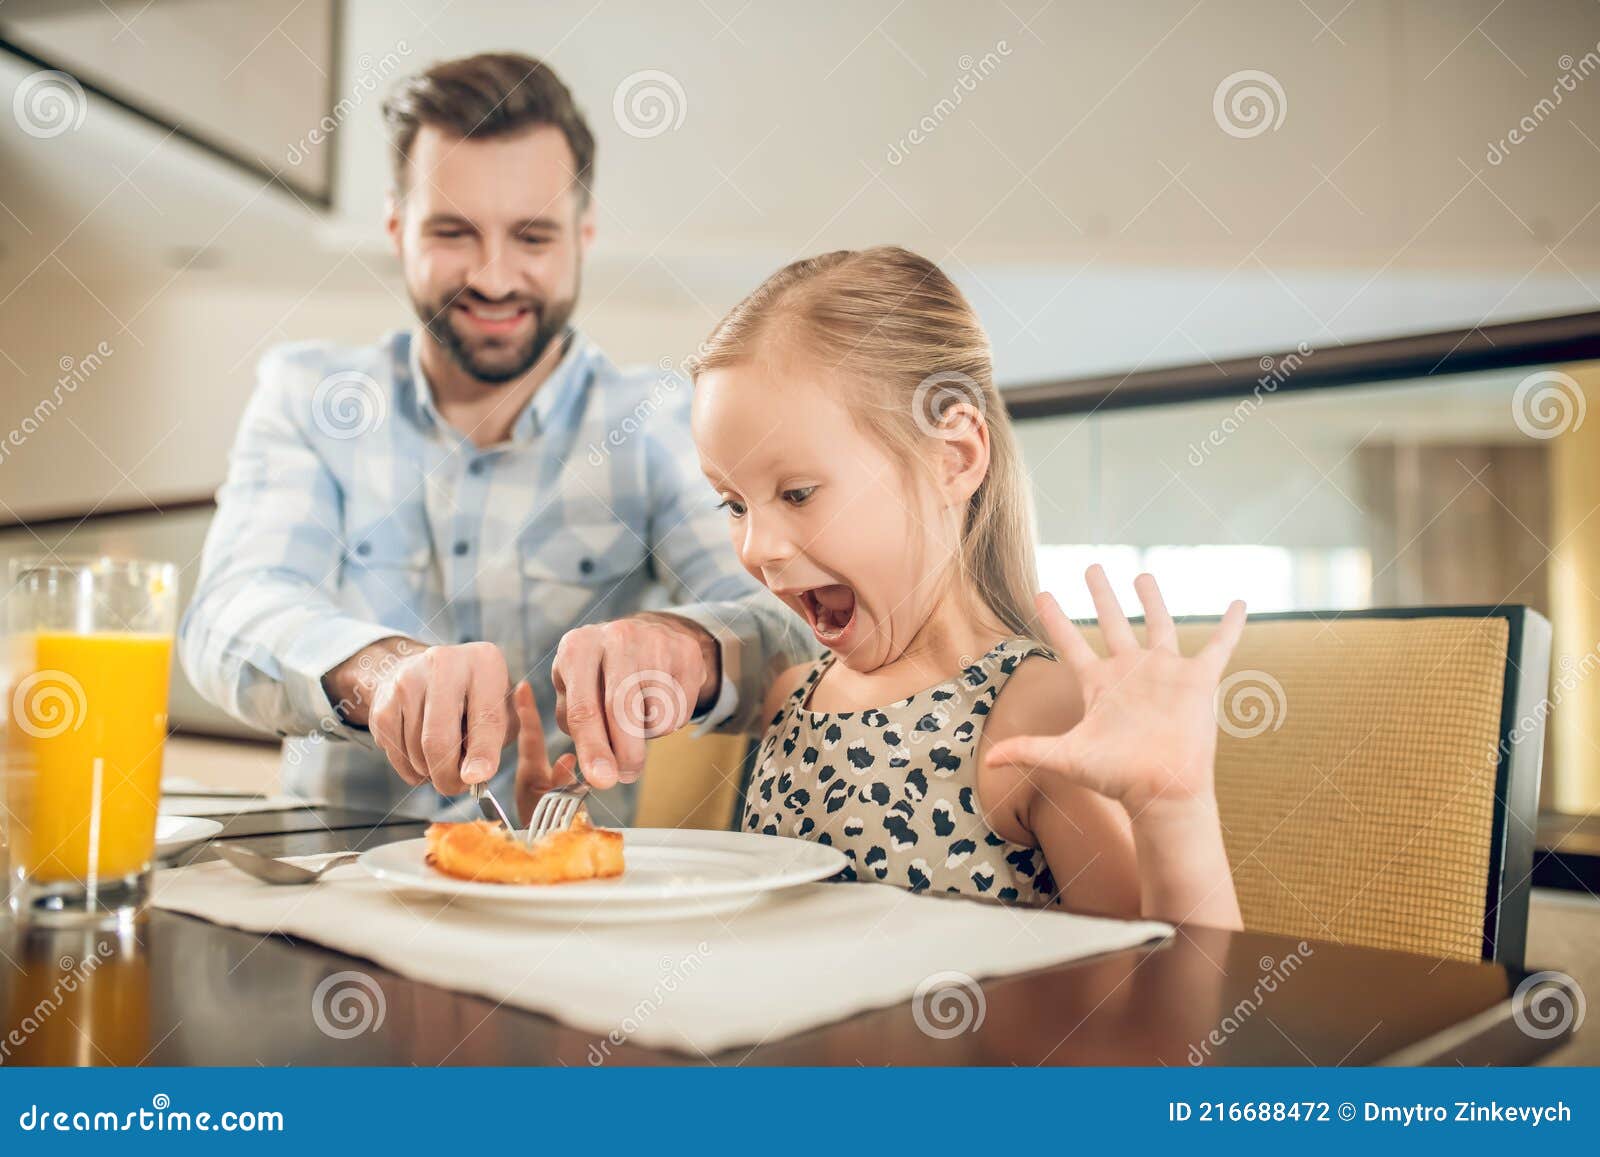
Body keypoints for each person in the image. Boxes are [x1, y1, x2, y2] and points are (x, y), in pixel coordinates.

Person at [180, 53, 811, 823]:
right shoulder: (311, 397)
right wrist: (376, 672)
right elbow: (229, 614)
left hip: (566, 901)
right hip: (335, 881)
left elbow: (792, 626)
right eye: (453, 231)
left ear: (583, 235)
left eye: (533, 237)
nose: (493, 276)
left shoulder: (656, 421)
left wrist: (686, 648)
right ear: (396, 227)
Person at [659, 245, 1245, 923]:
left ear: (953, 458)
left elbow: (1178, 1009)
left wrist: (1175, 809)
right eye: (732, 503)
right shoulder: (792, 700)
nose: (758, 549)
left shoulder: (1037, 719)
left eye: (796, 493)